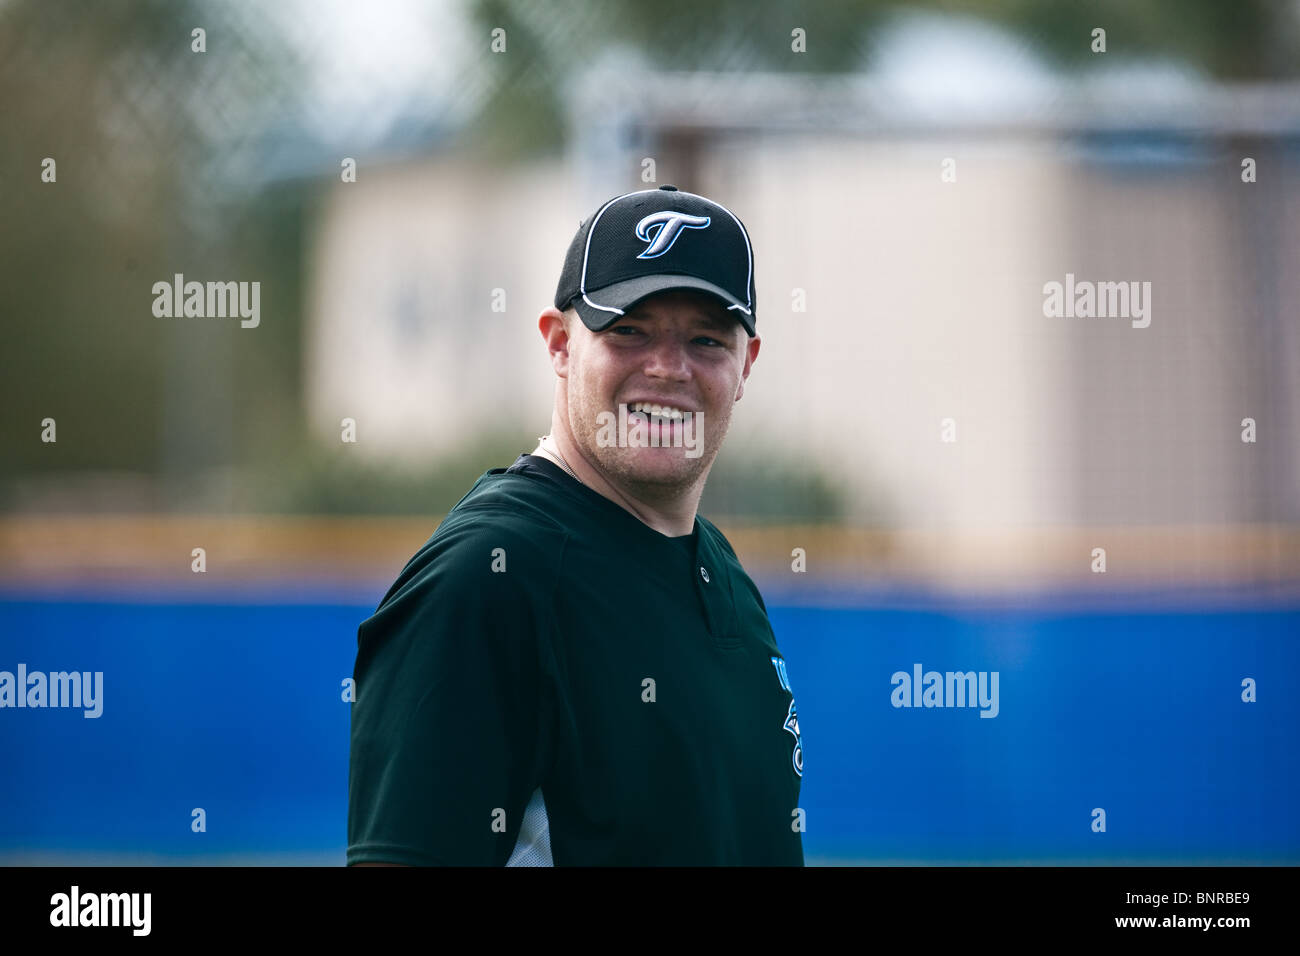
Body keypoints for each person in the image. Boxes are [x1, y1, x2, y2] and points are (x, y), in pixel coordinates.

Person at [347, 185, 803, 865]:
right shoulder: (487, 578)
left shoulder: (724, 575)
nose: (668, 367)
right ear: (559, 344)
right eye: (628, 330)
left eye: (706, 338)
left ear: (746, 366)